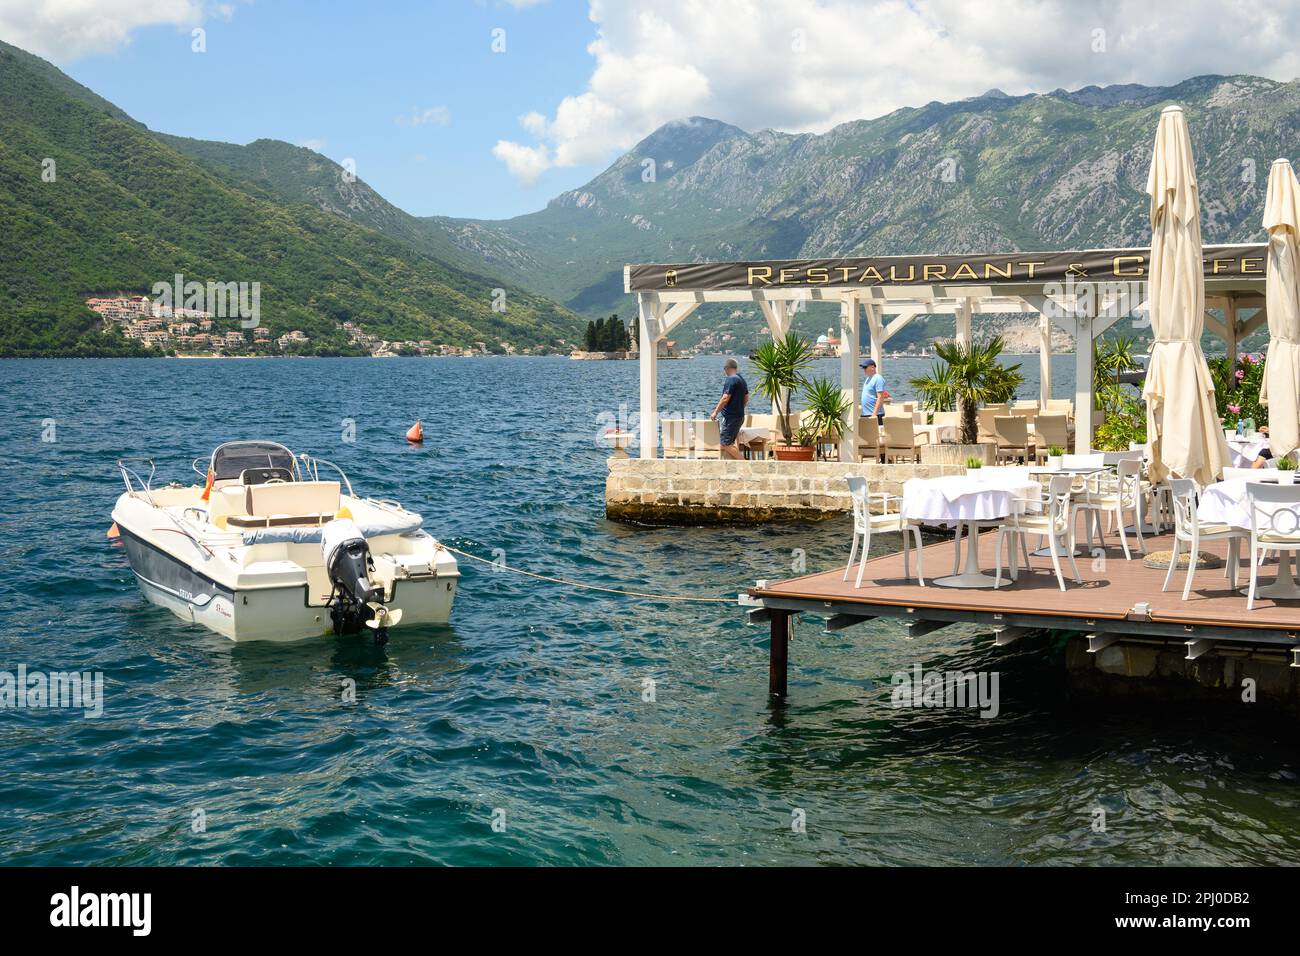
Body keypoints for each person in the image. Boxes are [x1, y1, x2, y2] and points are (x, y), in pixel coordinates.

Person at [710, 358, 749, 460]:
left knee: (725, 444)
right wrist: (740, 408)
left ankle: (746, 465)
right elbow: (746, 397)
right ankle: (732, 468)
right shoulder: (741, 379)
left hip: (731, 417)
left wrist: (715, 412)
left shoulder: (731, 379)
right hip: (739, 416)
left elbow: (725, 398)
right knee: (729, 443)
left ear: (727, 368)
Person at [861, 358, 886, 423]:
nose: (864, 369)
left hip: (875, 415)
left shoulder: (878, 378)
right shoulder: (868, 379)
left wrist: (874, 414)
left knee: (876, 433)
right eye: (863, 367)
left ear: (872, 367)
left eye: (865, 367)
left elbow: (880, 397)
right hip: (865, 414)